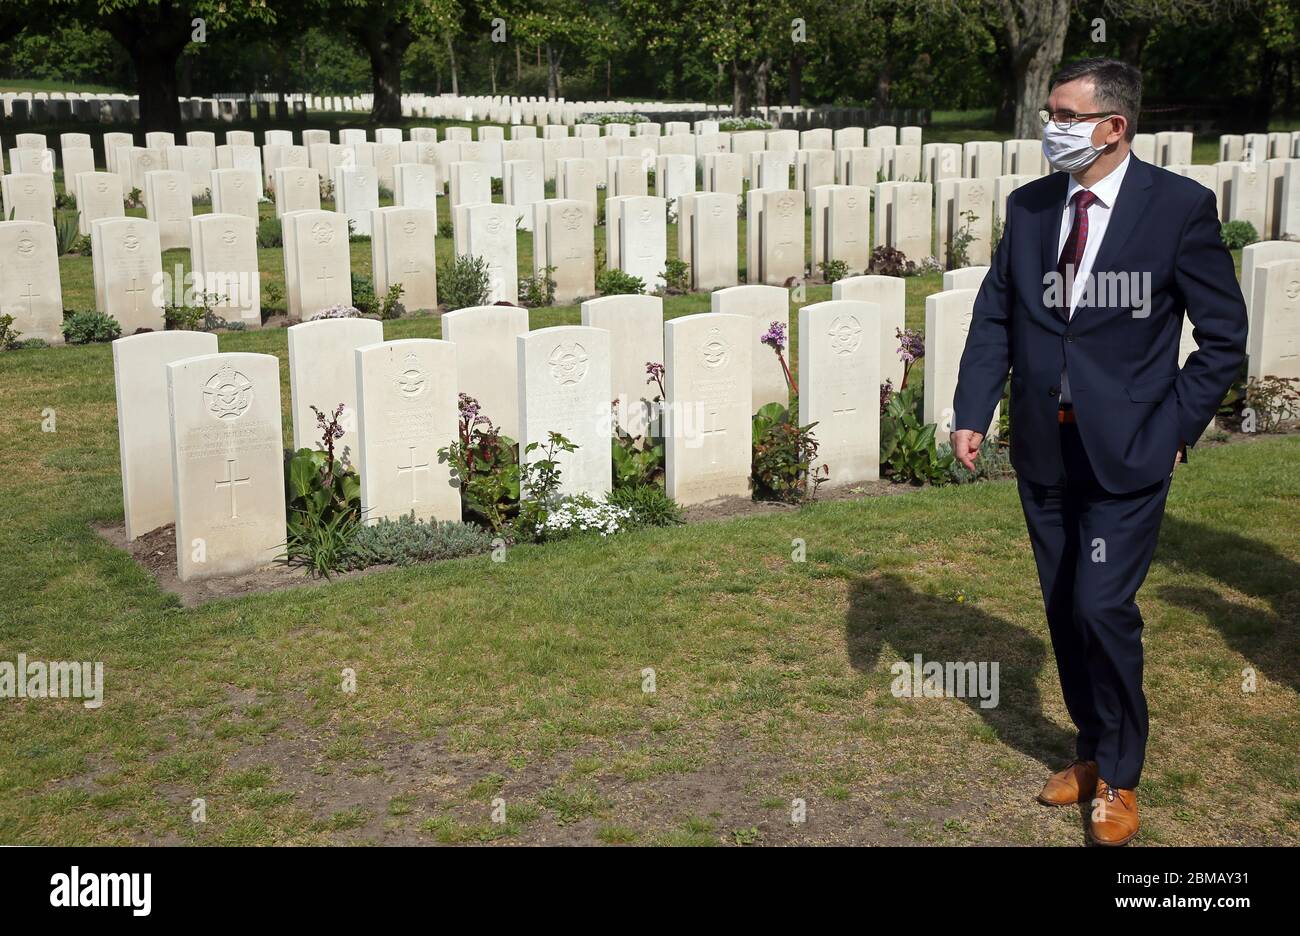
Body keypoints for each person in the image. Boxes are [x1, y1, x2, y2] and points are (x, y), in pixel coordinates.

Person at [950, 58, 1248, 845]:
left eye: (1065, 114)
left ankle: (1120, 773)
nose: (1052, 126)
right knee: (1061, 606)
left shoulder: (1179, 209)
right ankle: (1090, 747)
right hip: (1046, 448)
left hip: (1131, 451)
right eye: (1051, 112)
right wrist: (972, 410)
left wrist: (1176, 426)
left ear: (1113, 126)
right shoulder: (1032, 205)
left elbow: (1223, 341)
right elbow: (996, 318)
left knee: (1101, 606)